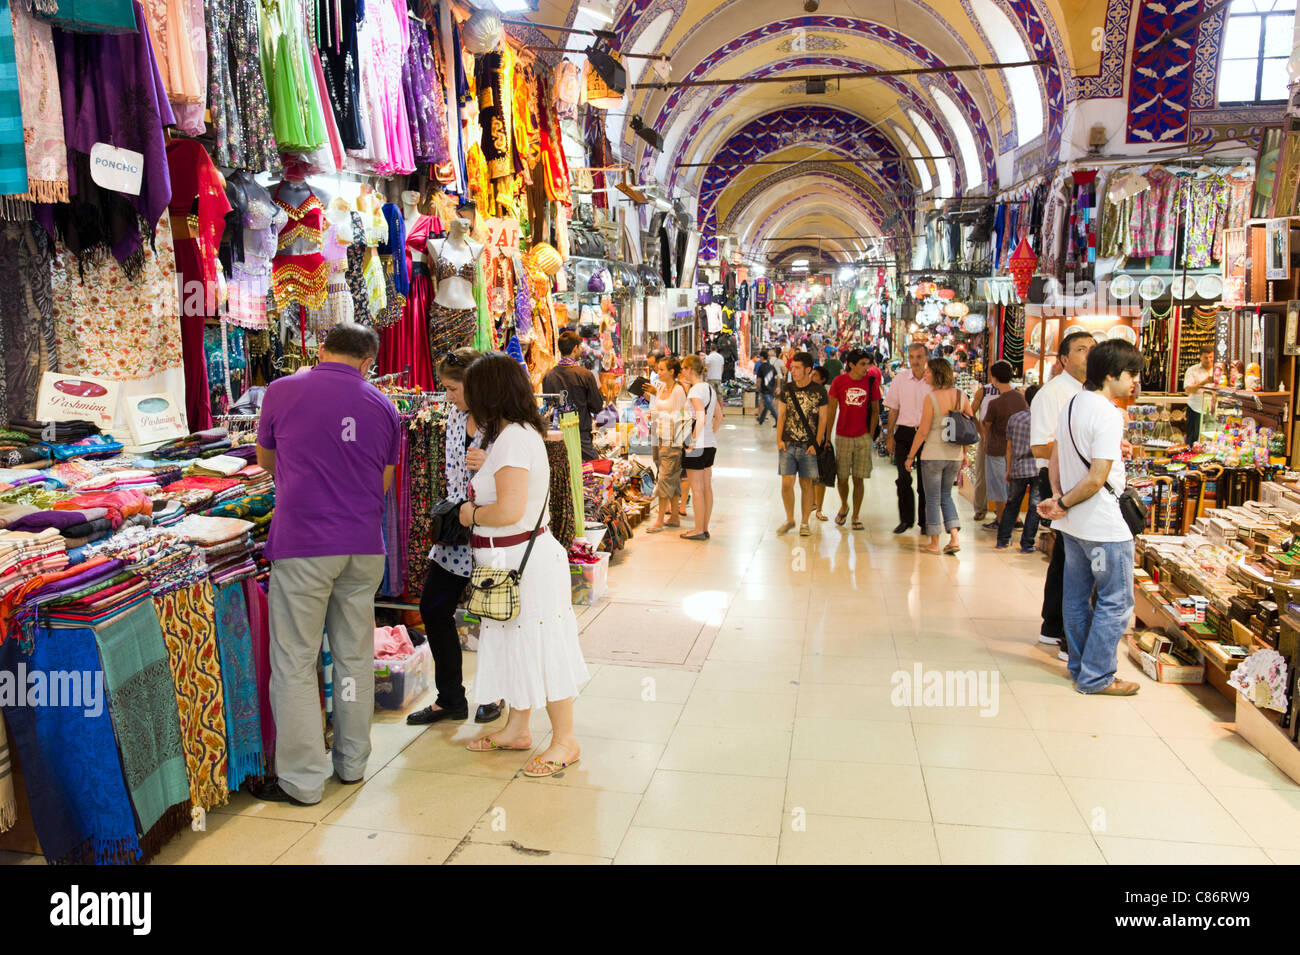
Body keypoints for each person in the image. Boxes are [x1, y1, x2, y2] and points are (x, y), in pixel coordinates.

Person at [253, 323, 400, 805]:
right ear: (368, 361)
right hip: (363, 546)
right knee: (355, 656)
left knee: (296, 661)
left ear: (320, 350)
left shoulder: (281, 390)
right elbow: (383, 482)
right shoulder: (385, 406)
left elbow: (267, 464)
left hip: (303, 543)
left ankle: (302, 781)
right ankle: (353, 763)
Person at [459, 353, 591, 772]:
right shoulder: (508, 435)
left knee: (541, 643)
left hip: (524, 561)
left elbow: (510, 510)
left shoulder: (514, 437)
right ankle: (518, 728)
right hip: (511, 560)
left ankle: (565, 740)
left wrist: (470, 515)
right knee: (517, 640)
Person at [1036, 340, 1144, 696]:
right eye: (1131, 374)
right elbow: (1097, 478)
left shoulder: (1071, 404)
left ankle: (1081, 667)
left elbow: (1055, 459)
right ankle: (1097, 676)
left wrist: (1057, 499)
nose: (1135, 382)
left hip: (1075, 527)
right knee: (1115, 600)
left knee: (1076, 597)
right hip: (1103, 528)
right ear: (1111, 374)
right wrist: (1063, 502)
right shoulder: (1108, 412)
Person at [406, 348, 502, 727]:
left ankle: (495, 693)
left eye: (453, 389)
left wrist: (490, 466)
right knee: (433, 607)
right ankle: (450, 698)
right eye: (444, 389)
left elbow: (518, 478)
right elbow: (451, 475)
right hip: (457, 530)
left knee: (495, 616)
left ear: (476, 384)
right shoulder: (452, 416)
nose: (448, 396)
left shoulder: (502, 423)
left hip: (494, 530)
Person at [1030, 331, 1096, 661]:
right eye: (1081, 350)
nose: (1088, 355)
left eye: (1092, 349)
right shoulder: (1053, 394)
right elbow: (1039, 445)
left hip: (1079, 479)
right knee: (1071, 556)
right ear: (1064, 359)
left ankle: (1054, 624)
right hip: (1058, 478)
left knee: (1067, 555)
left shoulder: (1089, 394)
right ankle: (1060, 629)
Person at [905, 358, 973, 555]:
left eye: (928, 372)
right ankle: (954, 536)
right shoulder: (962, 396)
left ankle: (934, 542)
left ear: (937, 374)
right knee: (946, 496)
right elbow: (968, 427)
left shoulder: (931, 398)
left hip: (933, 454)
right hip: (954, 455)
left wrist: (910, 456)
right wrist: (965, 454)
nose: (925, 375)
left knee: (932, 498)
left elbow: (923, 431)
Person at [776, 351, 829, 536]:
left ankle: (805, 522)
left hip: (809, 445)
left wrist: (818, 441)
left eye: (797, 368)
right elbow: (781, 414)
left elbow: (823, 419)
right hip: (788, 443)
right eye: (792, 367)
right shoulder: (787, 388)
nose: (793, 371)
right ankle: (790, 518)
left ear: (808, 370)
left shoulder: (819, 391)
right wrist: (779, 439)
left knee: (806, 484)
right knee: (786, 483)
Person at [827, 348, 880, 530]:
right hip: (842, 435)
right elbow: (832, 410)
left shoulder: (871, 382)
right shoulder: (839, 382)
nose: (867, 368)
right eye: (863, 364)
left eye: (868, 364)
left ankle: (856, 514)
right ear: (851, 365)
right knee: (842, 478)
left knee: (859, 478)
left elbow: (875, 410)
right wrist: (827, 436)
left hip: (863, 436)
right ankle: (844, 504)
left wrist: (870, 434)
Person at [882, 342, 931, 534]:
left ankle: (925, 522)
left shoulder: (933, 380)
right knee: (903, 479)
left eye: (919, 357)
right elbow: (894, 408)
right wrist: (889, 436)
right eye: (911, 357)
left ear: (926, 358)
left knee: (925, 482)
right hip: (905, 433)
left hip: (928, 435)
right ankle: (906, 519)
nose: (915, 361)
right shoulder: (901, 379)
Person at [679, 355, 724, 540]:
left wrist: (693, 440)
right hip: (710, 444)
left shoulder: (695, 391)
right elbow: (719, 417)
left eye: (683, 368)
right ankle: (704, 527)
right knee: (706, 488)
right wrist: (708, 434)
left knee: (696, 488)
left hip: (697, 445)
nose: (682, 371)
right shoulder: (710, 389)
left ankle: (698, 529)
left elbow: (700, 417)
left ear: (690, 369)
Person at [542, 330, 604, 461]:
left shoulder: (548, 376)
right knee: (590, 473)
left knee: (562, 475)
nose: (581, 349)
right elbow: (597, 406)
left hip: (557, 436)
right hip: (581, 437)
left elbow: (547, 408)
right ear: (575, 348)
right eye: (580, 347)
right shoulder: (585, 375)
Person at [642, 356, 688, 533]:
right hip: (658, 437)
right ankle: (674, 516)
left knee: (663, 479)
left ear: (672, 372)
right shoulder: (660, 388)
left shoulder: (678, 391)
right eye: (658, 369)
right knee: (671, 478)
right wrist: (651, 415)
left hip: (671, 440)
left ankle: (660, 520)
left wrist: (658, 417)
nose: (658, 372)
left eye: (662, 369)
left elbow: (680, 417)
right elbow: (658, 408)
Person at [980, 361, 1024, 531]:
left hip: (997, 448)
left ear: (994, 379)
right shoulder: (1020, 398)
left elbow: (987, 427)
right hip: (1016, 449)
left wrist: (983, 436)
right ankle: (1016, 518)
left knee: (998, 485)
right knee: (1013, 486)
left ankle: (1000, 519)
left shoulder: (995, 403)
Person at [997, 384, 1042, 552]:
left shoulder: (1015, 419)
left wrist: (1008, 469)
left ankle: (1003, 540)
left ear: (1026, 399)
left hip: (1018, 467)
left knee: (1012, 503)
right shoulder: (1045, 419)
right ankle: (1027, 543)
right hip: (1038, 468)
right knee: (1035, 506)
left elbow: (1009, 447)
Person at [810, 366, 832, 522]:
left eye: (815, 375)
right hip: (807, 438)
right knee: (809, 474)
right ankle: (811, 503)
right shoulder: (806, 392)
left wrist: (827, 439)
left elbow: (829, 419)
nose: (812, 377)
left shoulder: (826, 396)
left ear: (823, 379)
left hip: (821, 438)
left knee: (820, 475)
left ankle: (819, 507)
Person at [1184, 344, 1214, 446]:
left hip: (1212, 411)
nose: (1208, 360)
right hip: (1195, 409)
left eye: (1211, 357)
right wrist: (1204, 382)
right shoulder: (1192, 370)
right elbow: (1188, 390)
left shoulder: (1218, 370)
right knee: (1193, 438)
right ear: (1200, 356)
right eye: (1206, 357)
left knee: (1209, 438)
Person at [753, 350, 779, 426]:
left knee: (770, 406)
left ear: (761, 357)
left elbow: (759, 379)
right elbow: (777, 376)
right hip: (771, 388)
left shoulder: (761, 367)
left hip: (765, 389)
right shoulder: (771, 366)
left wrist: (757, 387)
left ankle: (777, 419)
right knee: (767, 405)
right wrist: (777, 386)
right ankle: (761, 420)